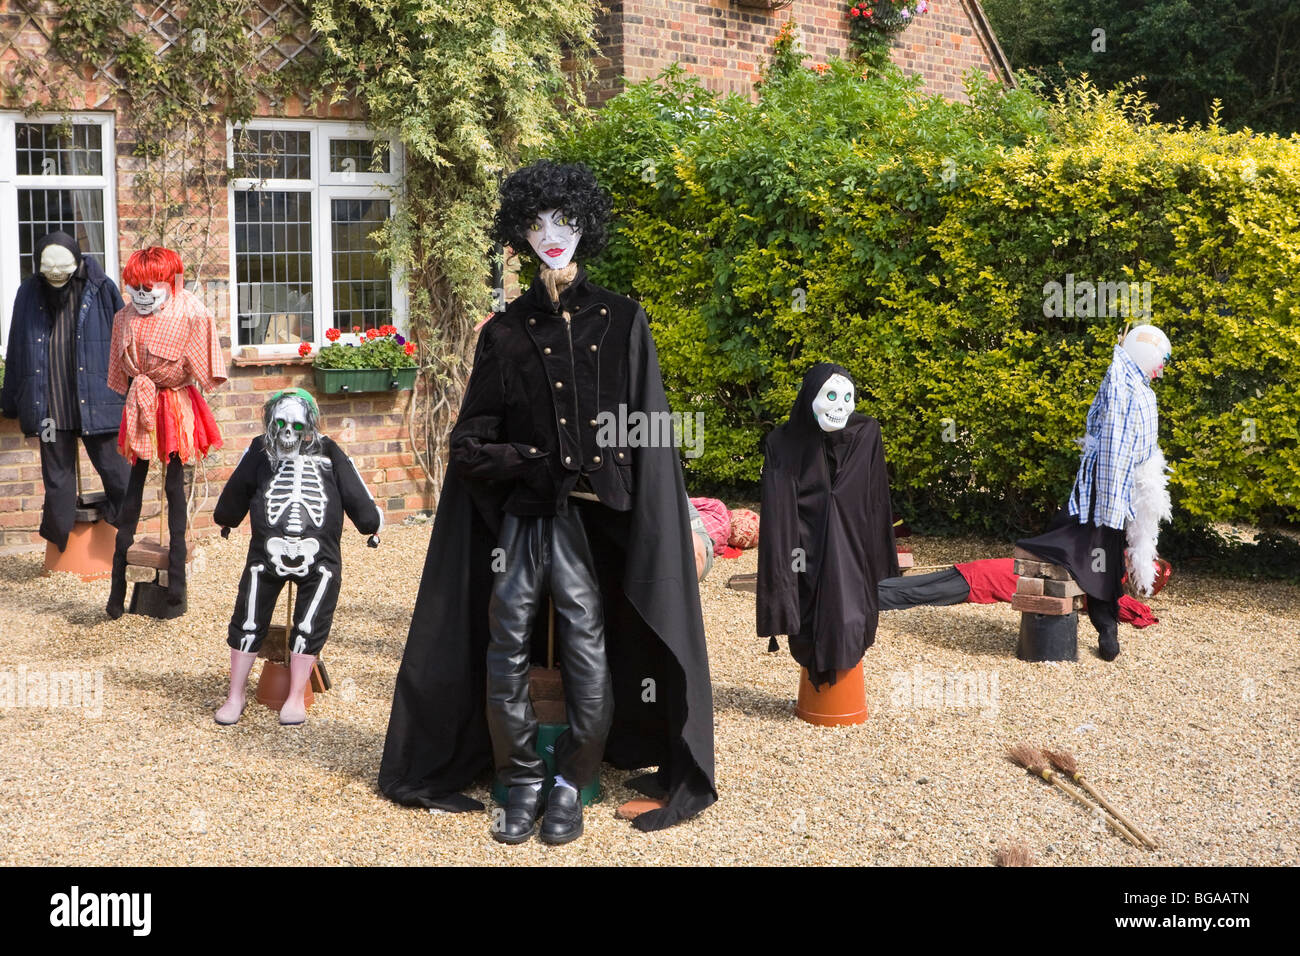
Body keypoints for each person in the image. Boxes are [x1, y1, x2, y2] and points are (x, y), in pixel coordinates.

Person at [378, 160, 716, 845]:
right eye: (537, 224)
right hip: (527, 520)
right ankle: (524, 773)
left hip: (600, 525)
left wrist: (636, 492)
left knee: (590, 650)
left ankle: (570, 780)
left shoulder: (624, 320)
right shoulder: (503, 333)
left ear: (585, 224)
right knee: (506, 648)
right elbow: (469, 444)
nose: (552, 235)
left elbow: (648, 424)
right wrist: (531, 461)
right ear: (520, 235)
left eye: (564, 220)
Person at [212, 388, 383, 726]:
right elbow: (237, 489)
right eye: (280, 424)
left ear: (310, 426)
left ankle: (294, 696)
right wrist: (226, 519)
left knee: (310, 622)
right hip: (267, 552)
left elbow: (355, 491)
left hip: (318, 556)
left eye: (297, 426)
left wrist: (370, 524)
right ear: (271, 423)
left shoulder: (330, 451)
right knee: (248, 616)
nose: (288, 433)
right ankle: (236, 694)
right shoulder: (261, 451)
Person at [1017, 325, 1172, 661]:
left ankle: (1106, 629)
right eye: (1161, 361)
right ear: (1147, 355)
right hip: (1107, 492)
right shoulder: (1121, 385)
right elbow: (1115, 447)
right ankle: (1103, 629)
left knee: (1102, 557)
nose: (1162, 370)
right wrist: (1112, 506)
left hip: (1119, 492)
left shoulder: (1134, 384)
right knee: (1088, 549)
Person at [757, 363, 899, 688]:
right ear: (810, 397)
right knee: (810, 604)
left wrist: (878, 559)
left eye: (848, 397)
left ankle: (842, 686)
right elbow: (778, 517)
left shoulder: (865, 435)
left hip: (851, 549)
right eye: (831, 395)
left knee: (849, 607)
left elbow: (876, 498)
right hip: (804, 548)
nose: (841, 406)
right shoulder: (783, 443)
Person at [105, 247, 226, 618]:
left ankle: (176, 586)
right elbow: (117, 371)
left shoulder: (192, 313)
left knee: (175, 486)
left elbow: (209, 369)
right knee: (133, 487)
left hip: (173, 403)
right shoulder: (123, 317)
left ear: (170, 282)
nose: (142, 295)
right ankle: (117, 590)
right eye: (134, 288)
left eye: (149, 287)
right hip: (140, 403)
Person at [0, 231, 130, 551]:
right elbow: (18, 345)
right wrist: (10, 400)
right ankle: (62, 549)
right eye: (49, 270)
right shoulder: (28, 292)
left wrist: (134, 392)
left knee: (119, 474)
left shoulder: (101, 288)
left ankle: (117, 533)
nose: (56, 275)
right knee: (56, 482)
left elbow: (124, 342)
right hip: (49, 407)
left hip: (99, 400)